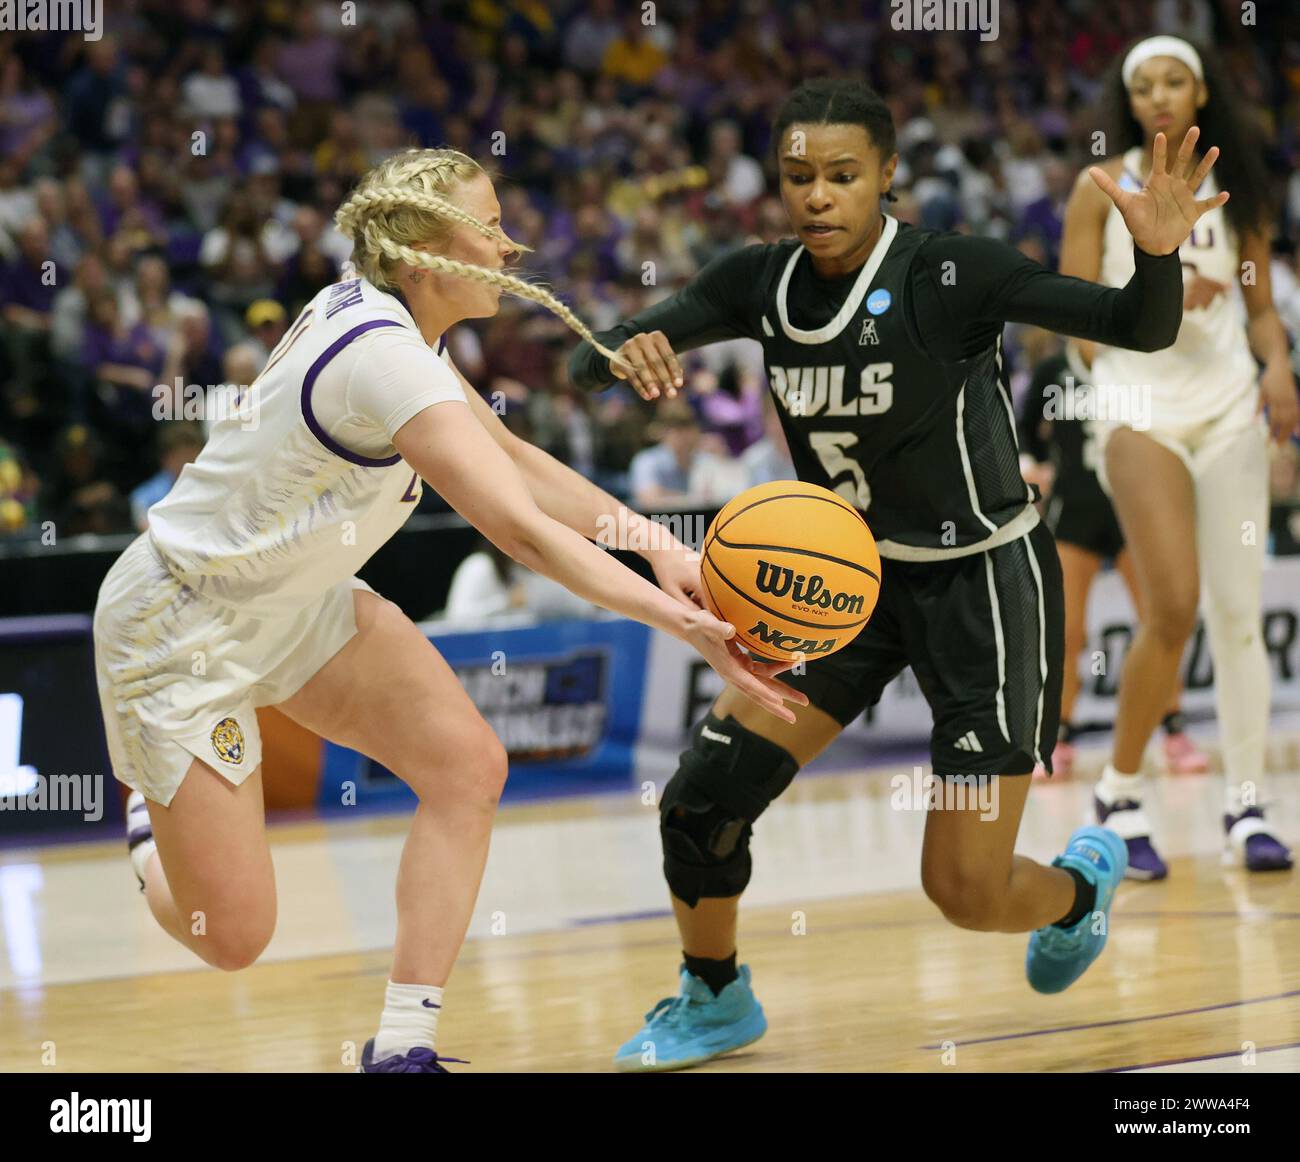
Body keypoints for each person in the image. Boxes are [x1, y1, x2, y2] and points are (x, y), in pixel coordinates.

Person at [96, 147, 806, 1075]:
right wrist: (687, 625)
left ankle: (401, 1046)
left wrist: (664, 546)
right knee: (231, 935)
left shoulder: (406, 327)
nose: (511, 246)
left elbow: (509, 456)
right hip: (181, 626)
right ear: (429, 254)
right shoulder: (383, 359)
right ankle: (151, 825)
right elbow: (520, 533)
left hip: (300, 606)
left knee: (467, 766)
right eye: (491, 227)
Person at [569, 77, 1226, 1071]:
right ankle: (713, 996)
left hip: (979, 586)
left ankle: (1078, 889)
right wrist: (621, 353)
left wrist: (1162, 251)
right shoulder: (759, 283)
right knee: (702, 795)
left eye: (841, 175)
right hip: (842, 590)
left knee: (964, 891)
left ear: (886, 175)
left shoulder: (950, 273)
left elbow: (1135, 325)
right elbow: (591, 359)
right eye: (797, 176)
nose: (817, 195)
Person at [1059, 36, 1296, 878]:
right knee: (1174, 605)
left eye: (1175, 80)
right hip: (1135, 402)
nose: (1159, 94)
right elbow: (1074, 324)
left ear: (1199, 96)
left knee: (1237, 613)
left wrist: (1278, 368)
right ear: (1129, 102)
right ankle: (1118, 793)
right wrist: (1154, 293)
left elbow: (1262, 311)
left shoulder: (1239, 193)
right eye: (1144, 84)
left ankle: (1246, 804)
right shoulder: (1100, 188)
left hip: (1230, 404)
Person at [1017, 344, 1210, 778]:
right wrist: (1033, 465)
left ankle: (1174, 732)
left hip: (1132, 511)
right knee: (1064, 631)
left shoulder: (1134, 364)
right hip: (1074, 513)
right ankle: (1058, 738)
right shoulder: (1052, 370)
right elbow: (1025, 427)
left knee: (1160, 619)